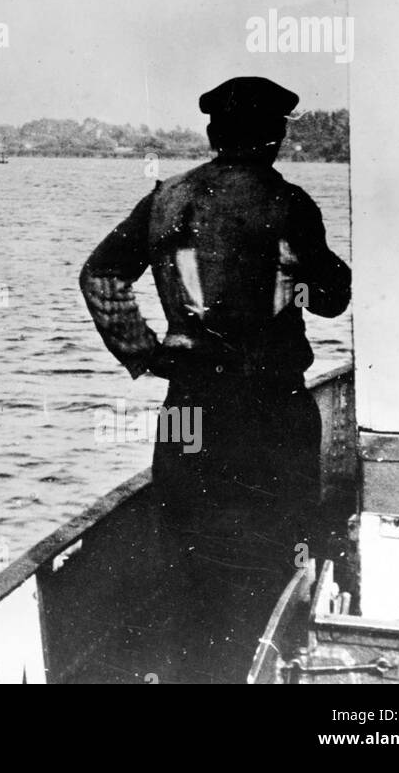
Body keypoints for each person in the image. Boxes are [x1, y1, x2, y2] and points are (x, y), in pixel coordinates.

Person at [78, 76, 351, 683]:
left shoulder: (165, 202)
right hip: (272, 408)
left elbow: (100, 276)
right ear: (277, 137)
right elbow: (332, 298)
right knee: (276, 544)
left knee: (188, 550)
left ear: (212, 133)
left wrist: (146, 352)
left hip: (189, 405)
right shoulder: (292, 205)